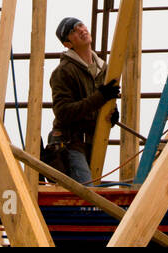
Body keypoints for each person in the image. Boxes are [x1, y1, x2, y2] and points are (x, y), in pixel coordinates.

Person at [48, 16, 119, 184]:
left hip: (92, 145)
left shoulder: (104, 69)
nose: (80, 29)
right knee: (88, 198)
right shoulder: (63, 72)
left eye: (80, 25)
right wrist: (100, 98)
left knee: (92, 194)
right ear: (68, 44)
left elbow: (100, 103)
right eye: (73, 31)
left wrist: (113, 114)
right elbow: (63, 112)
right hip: (70, 143)